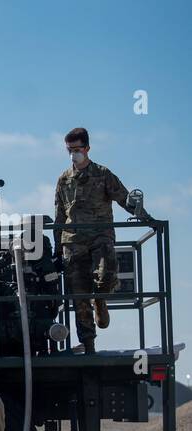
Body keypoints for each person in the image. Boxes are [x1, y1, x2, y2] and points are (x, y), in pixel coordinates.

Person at [54, 126, 138, 354]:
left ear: (87, 148)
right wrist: (57, 247)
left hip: (100, 235)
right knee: (79, 296)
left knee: (107, 272)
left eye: (77, 149)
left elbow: (124, 197)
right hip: (73, 241)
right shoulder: (63, 180)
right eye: (69, 150)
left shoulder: (103, 174)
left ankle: (101, 299)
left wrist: (143, 215)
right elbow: (60, 214)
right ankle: (89, 345)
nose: (73, 154)